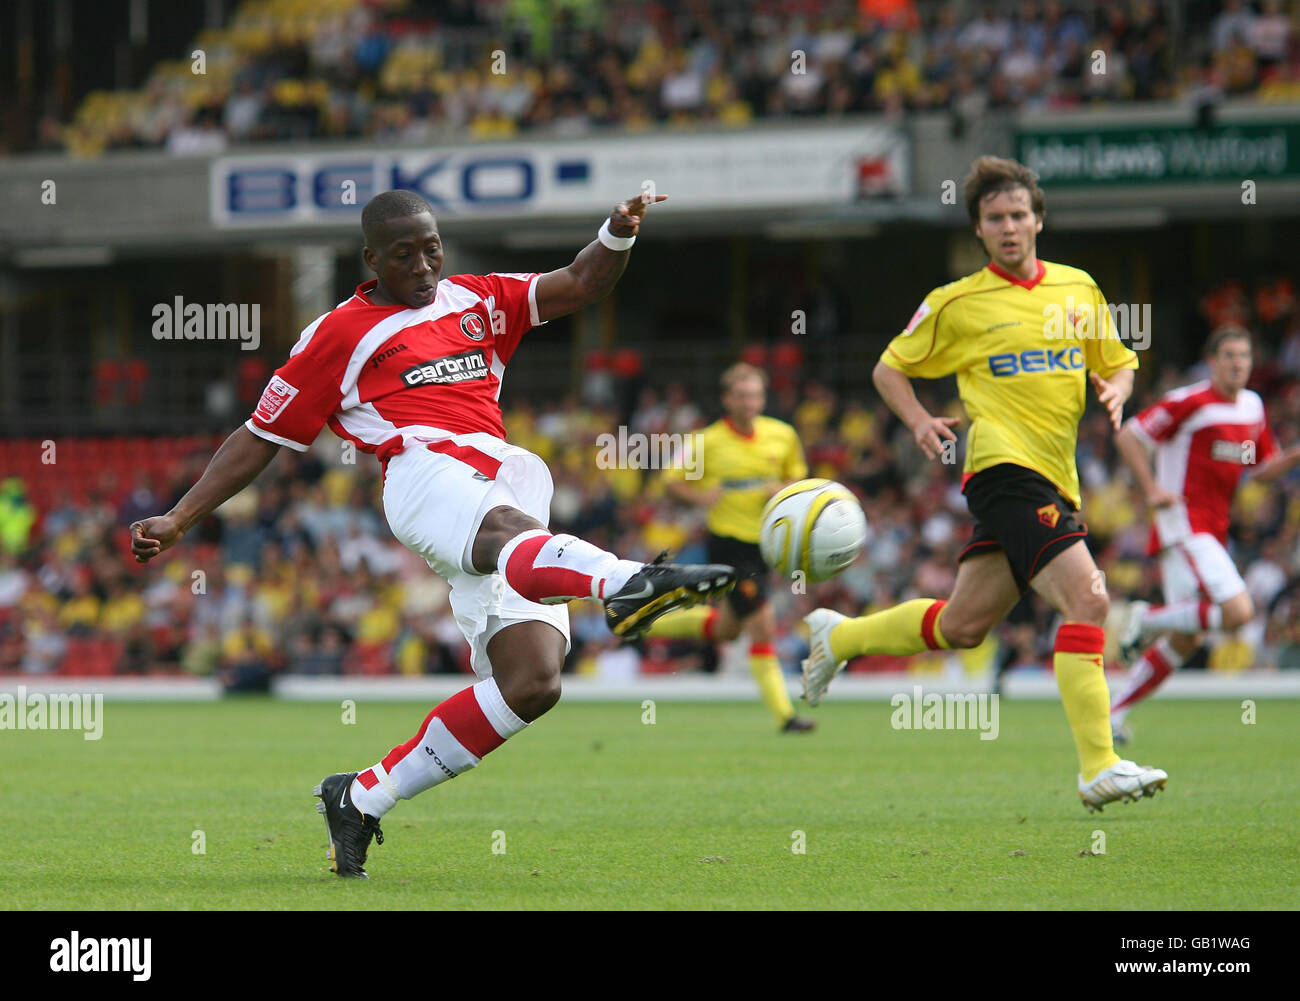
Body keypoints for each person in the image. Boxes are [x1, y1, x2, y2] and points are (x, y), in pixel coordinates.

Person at [129, 188, 736, 877]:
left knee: (533, 680)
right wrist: (178, 517)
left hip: (501, 476)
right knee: (507, 534)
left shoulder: (477, 298)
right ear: (371, 260)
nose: (422, 264)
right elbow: (260, 434)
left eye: (431, 247)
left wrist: (617, 232)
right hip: (420, 476)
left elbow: (580, 282)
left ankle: (361, 796)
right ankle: (626, 582)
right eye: (403, 254)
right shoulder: (337, 333)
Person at [800, 155, 1168, 813]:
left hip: (1058, 475)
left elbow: (1119, 361)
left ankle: (841, 637)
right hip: (1001, 467)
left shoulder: (1078, 290)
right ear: (979, 229)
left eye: (1018, 215)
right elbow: (891, 368)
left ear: (1038, 220)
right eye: (994, 218)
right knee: (1088, 598)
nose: (1008, 226)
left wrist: (1118, 386)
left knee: (966, 624)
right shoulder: (958, 303)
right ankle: (1098, 765)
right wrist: (916, 420)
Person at [1110, 325, 1300, 740]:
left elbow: (1262, 469)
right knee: (1239, 612)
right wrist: (1151, 489)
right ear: (1212, 362)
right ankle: (1145, 620)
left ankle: (1113, 714)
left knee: (1185, 639)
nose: (1237, 363)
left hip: (1213, 529)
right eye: (1229, 355)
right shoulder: (1188, 401)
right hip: (1184, 523)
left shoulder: (1252, 407)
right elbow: (1129, 434)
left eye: (1244, 356)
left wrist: (1295, 456)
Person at [649, 362, 816, 732]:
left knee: (728, 630)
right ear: (727, 399)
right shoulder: (707, 440)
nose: (750, 402)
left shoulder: (782, 434)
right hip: (728, 543)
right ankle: (786, 717)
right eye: (741, 395)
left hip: (767, 544)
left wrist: (785, 489)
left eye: (755, 394)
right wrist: (699, 497)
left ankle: (652, 619)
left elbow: (798, 475)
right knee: (763, 625)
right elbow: (670, 481)